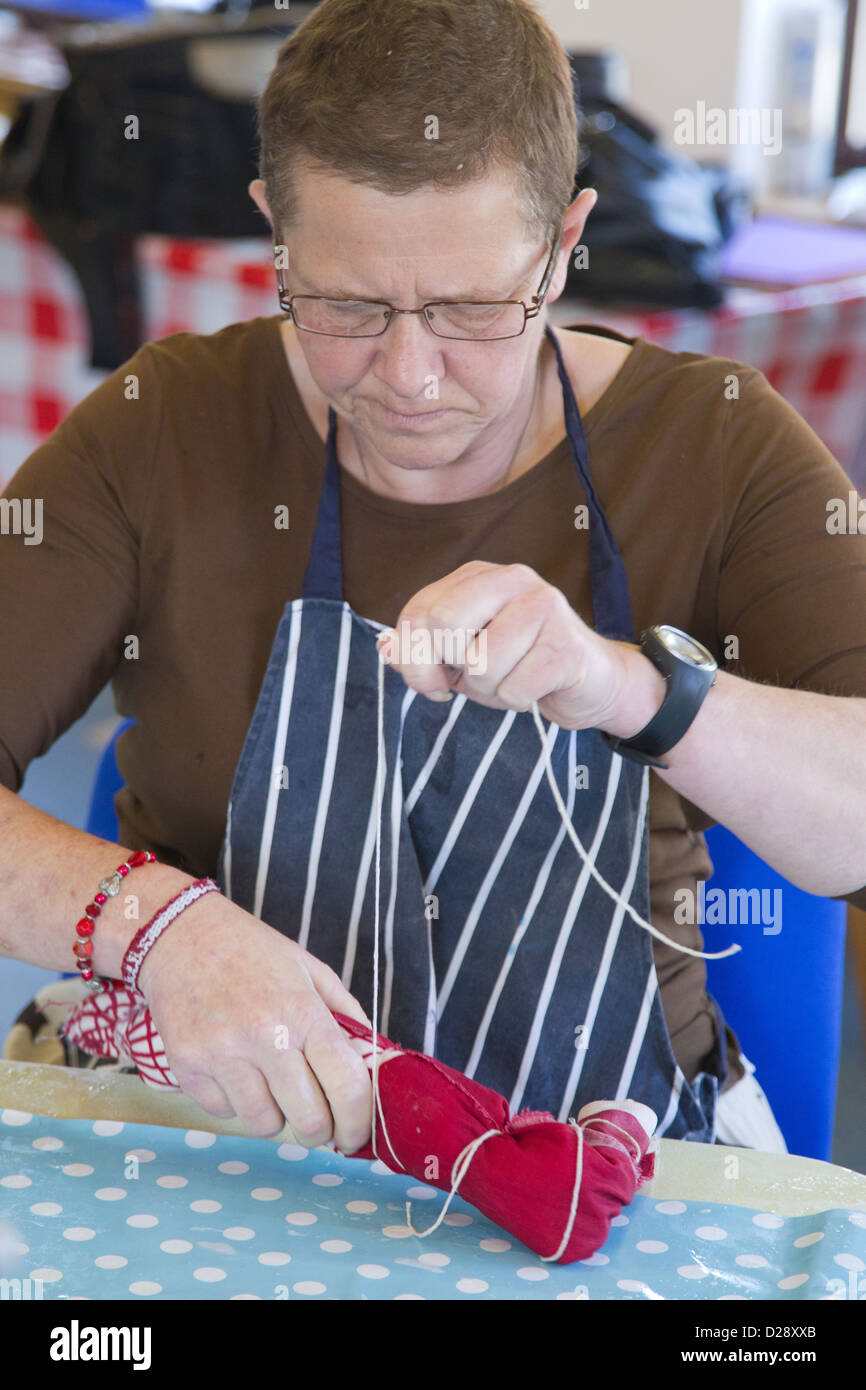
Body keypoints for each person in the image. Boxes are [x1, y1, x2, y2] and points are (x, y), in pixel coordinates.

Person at [1, 0, 865, 1159]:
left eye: (469, 308)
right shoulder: (165, 428)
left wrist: (628, 690)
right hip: (223, 1131)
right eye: (345, 304)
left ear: (564, 244)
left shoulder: (713, 444)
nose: (409, 377)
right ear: (274, 234)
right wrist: (159, 928)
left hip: (600, 1158)